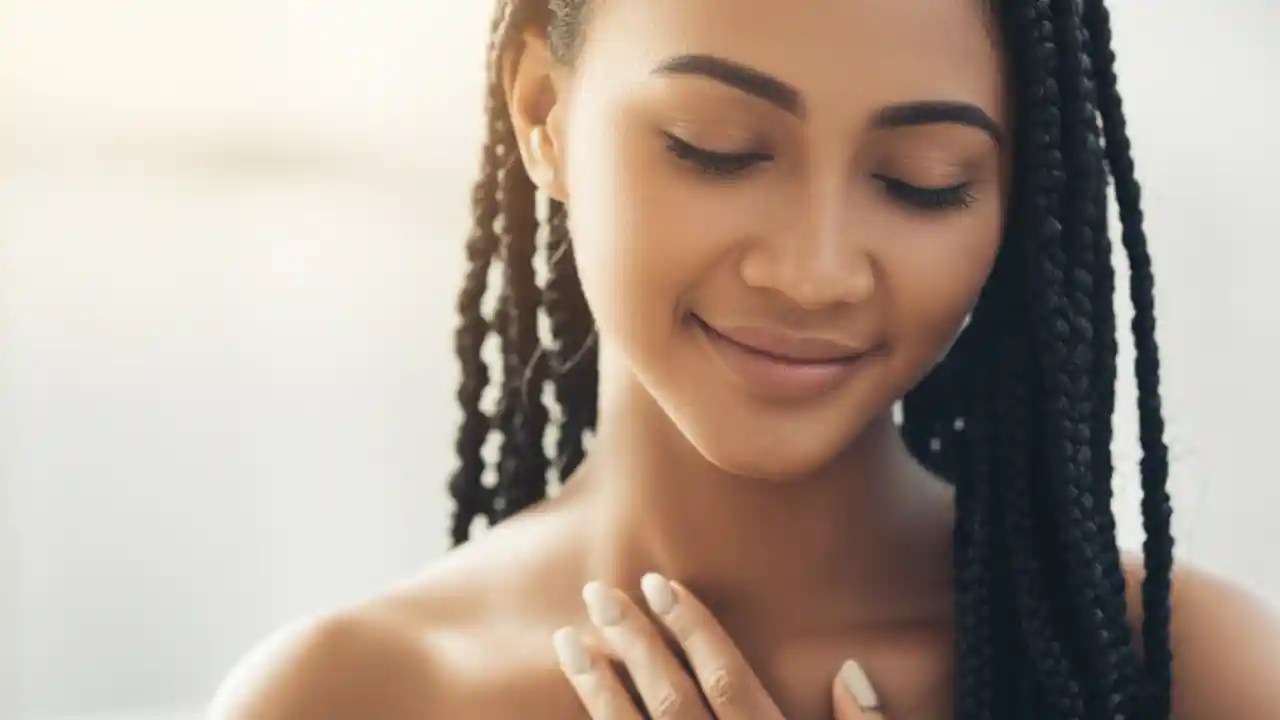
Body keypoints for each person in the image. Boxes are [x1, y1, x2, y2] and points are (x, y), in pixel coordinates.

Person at [208, 0, 1280, 718]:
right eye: (714, 149)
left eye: (922, 180)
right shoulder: (344, 698)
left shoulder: (1187, 676)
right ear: (541, 111)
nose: (813, 274)